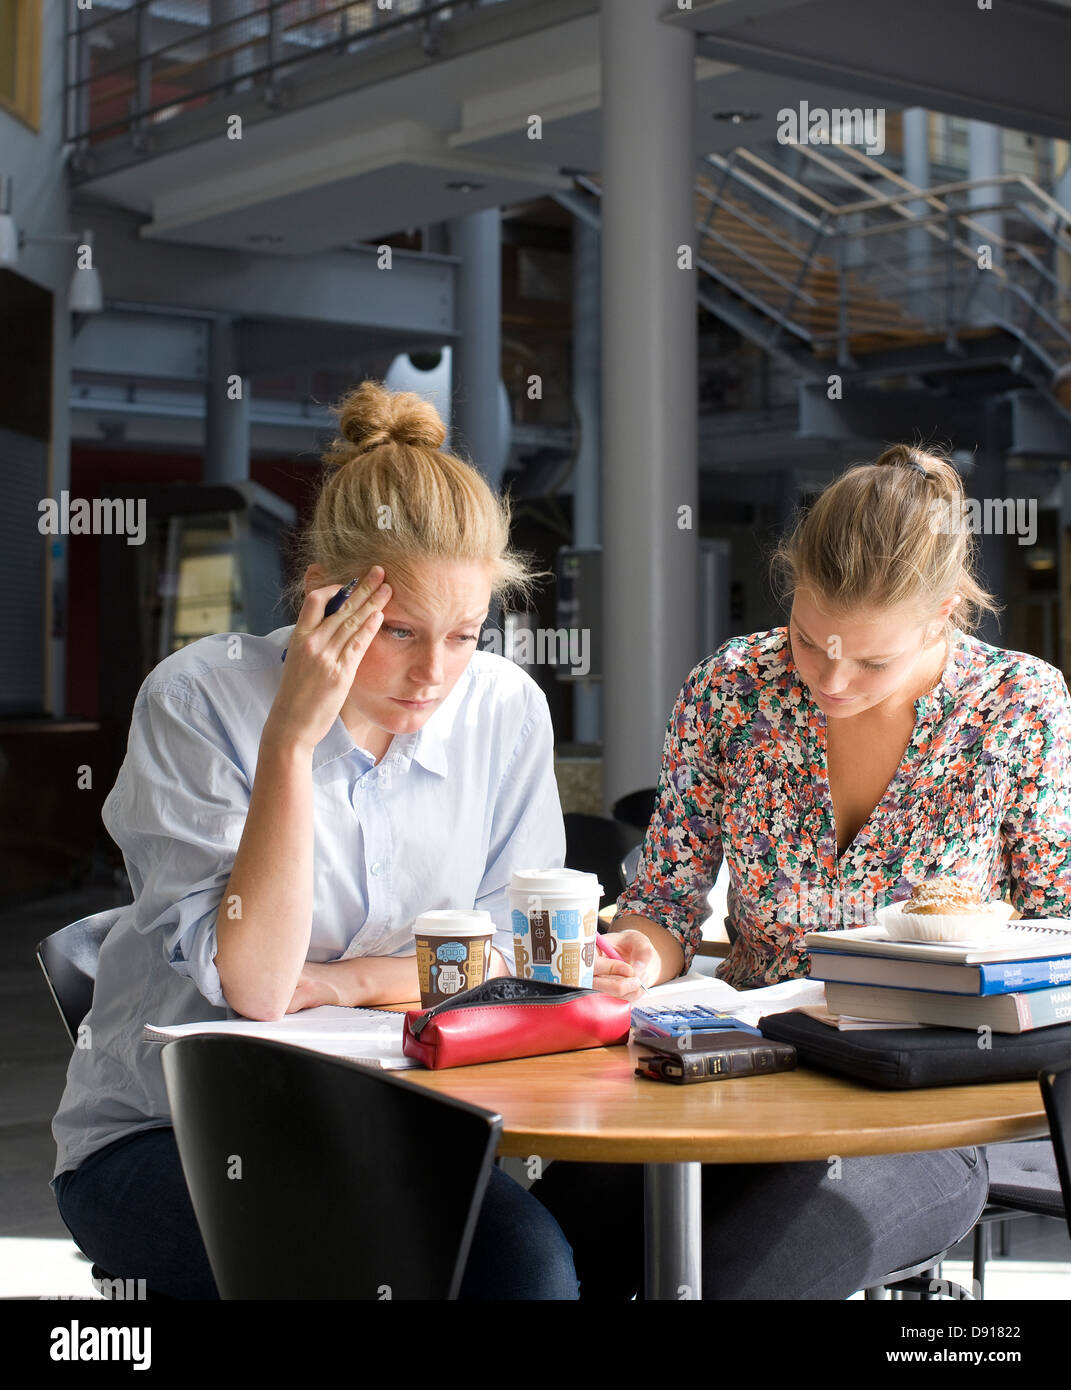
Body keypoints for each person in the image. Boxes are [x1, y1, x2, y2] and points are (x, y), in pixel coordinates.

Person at [50, 380, 579, 1300]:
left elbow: (507, 960)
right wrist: (292, 741)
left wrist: (338, 984)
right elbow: (255, 984)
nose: (434, 675)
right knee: (368, 1273)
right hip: (171, 1137)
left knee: (532, 1274)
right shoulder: (199, 699)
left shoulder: (504, 706)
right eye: (401, 632)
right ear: (324, 599)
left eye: (464, 633)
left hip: (408, 1122)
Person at [530, 443, 1071, 1299]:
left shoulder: (1017, 706)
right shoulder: (730, 690)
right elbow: (666, 896)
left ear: (942, 615)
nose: (828, 679)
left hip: (919, 1111)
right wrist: (642, 952)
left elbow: (1055, 932)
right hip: (730, 1071)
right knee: (547, 1259)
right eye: (810, 643)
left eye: (869, 661)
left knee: (742, 1283)